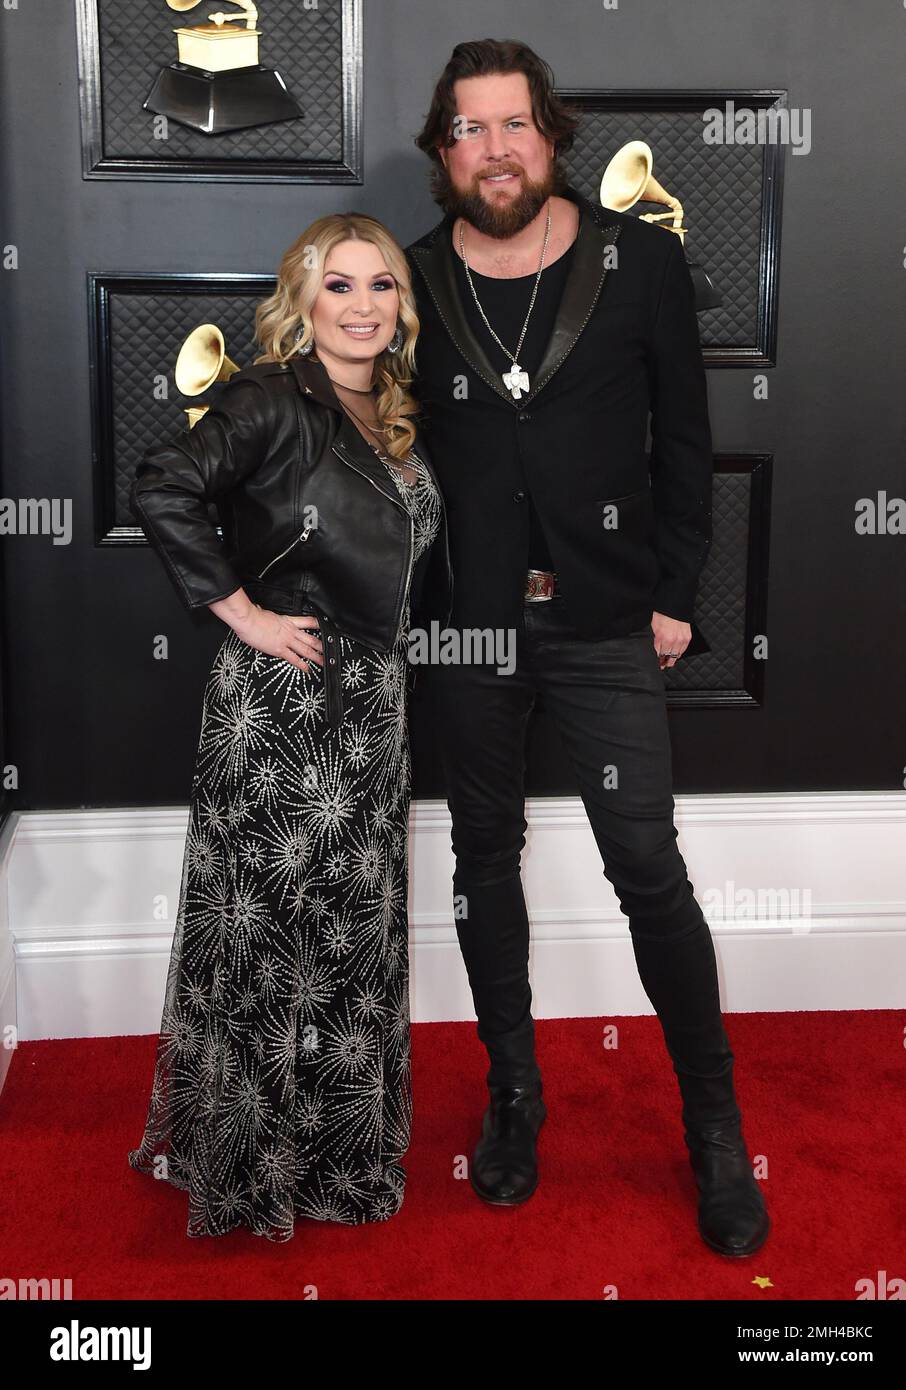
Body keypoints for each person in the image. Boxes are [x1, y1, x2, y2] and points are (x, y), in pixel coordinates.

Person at [406, 38, 769, 1256]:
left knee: (646, 869)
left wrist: (672, 591)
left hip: (608, 620)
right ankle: (514, 1099)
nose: (495, 150)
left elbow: (683, 441)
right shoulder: (405, 280)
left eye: (514, 125)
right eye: (470, 130)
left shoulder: (641, 261)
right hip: (468, 632)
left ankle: (711, 1124)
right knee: (481, 859)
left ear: (549, 136)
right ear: (442, 149)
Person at [127, 213, 450, 1241]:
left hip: (370, 710)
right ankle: (253, 1166)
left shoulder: (390, 410)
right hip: (284, 705)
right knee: (268, 935)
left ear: (401, 306)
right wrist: (241, 612)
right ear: (302, 301)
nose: (362, 307)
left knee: (348, 932)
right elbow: (164, 482)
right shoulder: (272, 395)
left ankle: (328, 1151)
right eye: (340, 286)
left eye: (381, 287)